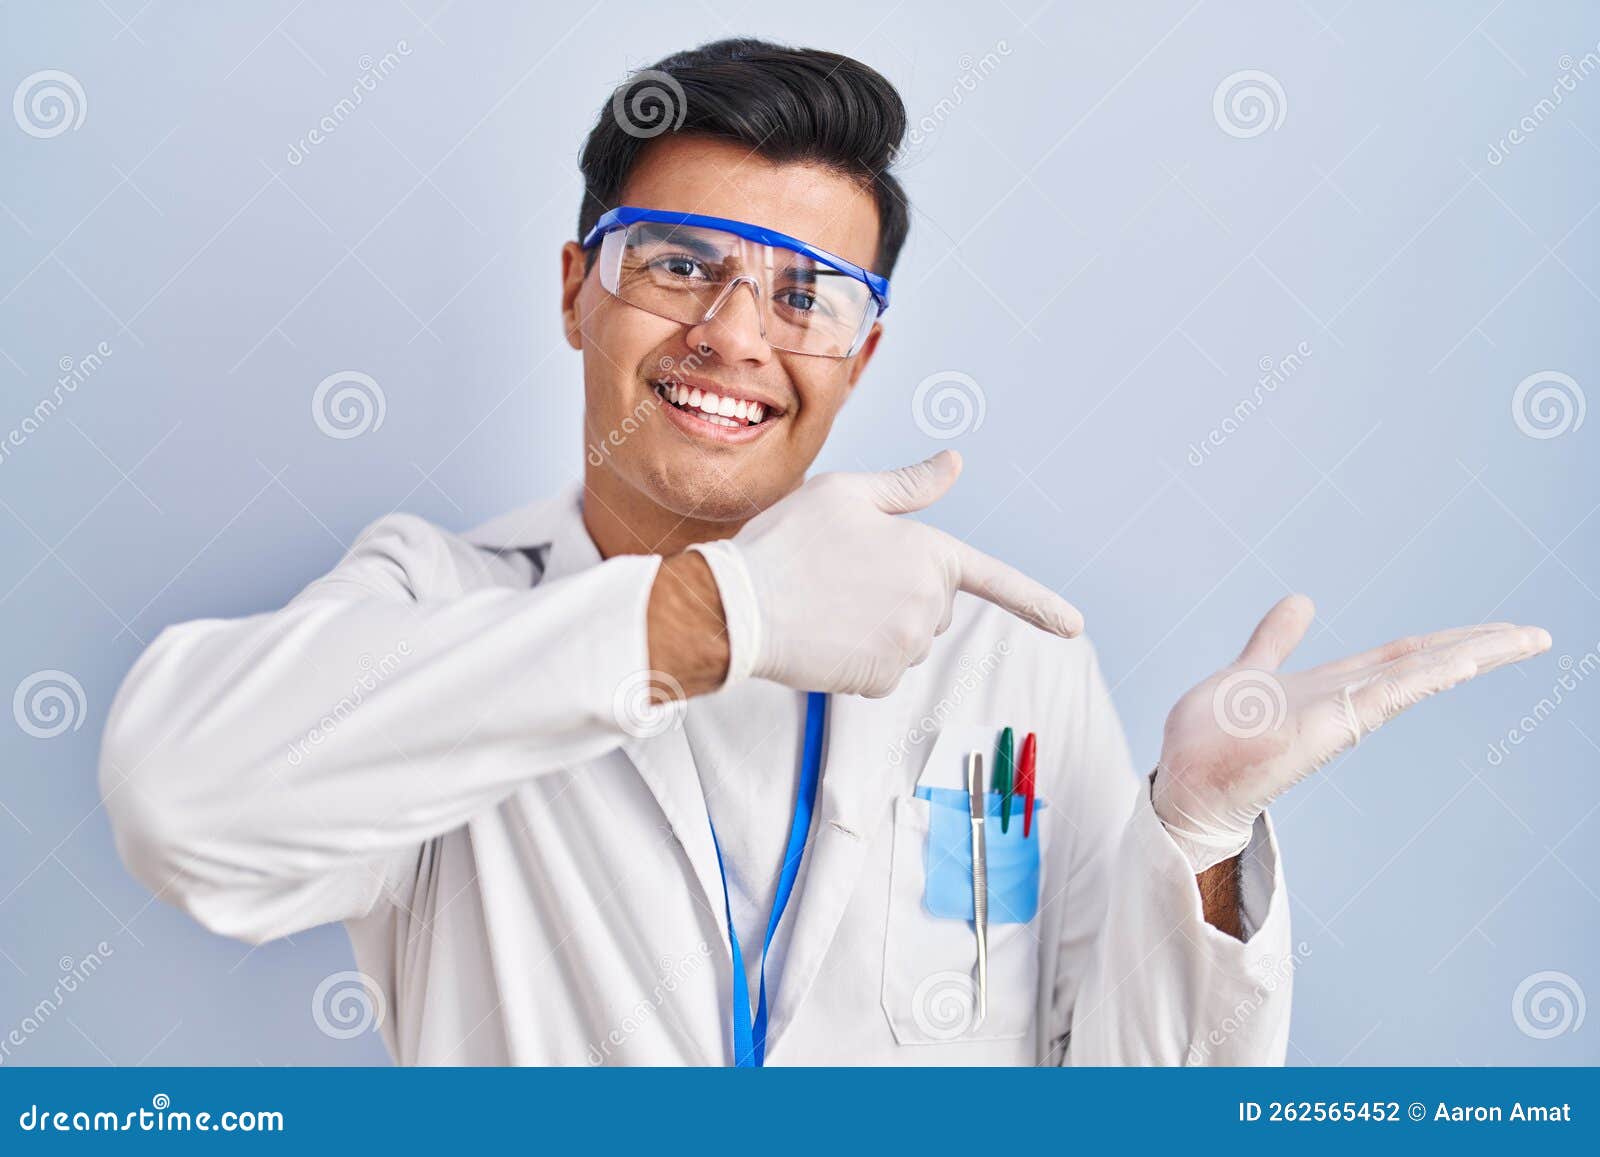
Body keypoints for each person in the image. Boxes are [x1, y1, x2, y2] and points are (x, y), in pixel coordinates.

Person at [97, 38, 1550, 1066]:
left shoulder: (1003, 649)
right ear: (575, 292)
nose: (735, 334)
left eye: (809, 295)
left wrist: (1205, 845)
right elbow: (180, 804)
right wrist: (708, 617)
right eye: (677, 262)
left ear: (860, 356)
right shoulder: (443, 604)